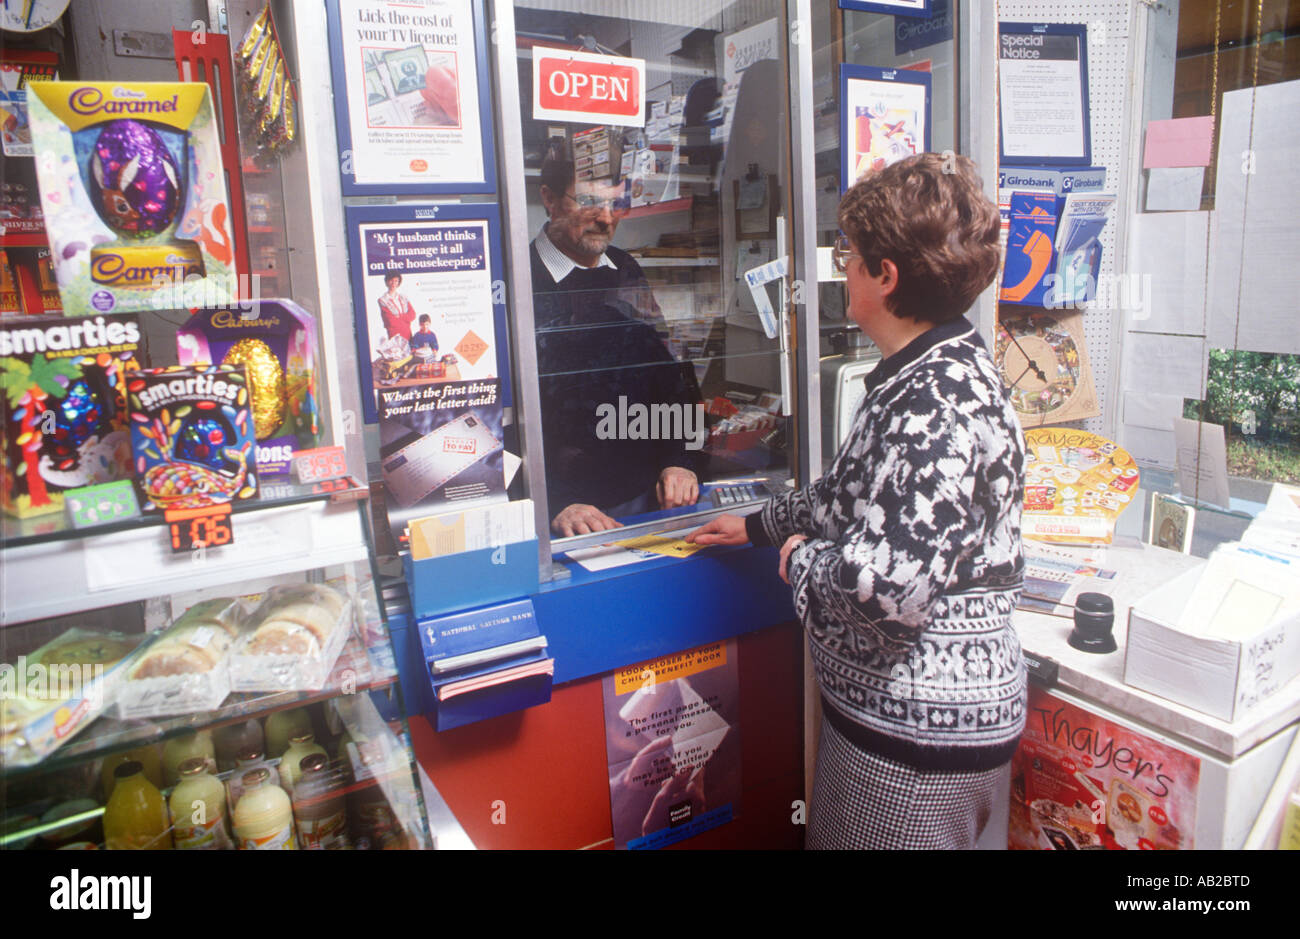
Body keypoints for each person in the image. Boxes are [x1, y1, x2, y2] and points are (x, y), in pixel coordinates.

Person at [689, 153, 1027, 849]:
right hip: (932, 733)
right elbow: (854, 496)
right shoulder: (937, 370)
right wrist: (758, 523)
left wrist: (799, 557)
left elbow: (888, 591)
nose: (842, 267)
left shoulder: (932, 402)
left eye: (851, 254)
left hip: (912, 748)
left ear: (886, 275)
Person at [531, 143, 703, 537]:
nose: (606, 219)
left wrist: (681, 459)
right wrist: (555, 501)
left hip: (645, 498)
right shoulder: (518, 279)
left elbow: (670, 375)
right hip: (565, 513)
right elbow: (497, 417)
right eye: (590, 201)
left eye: (618, 203)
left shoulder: (625, 268)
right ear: (549, 199)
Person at [378, 272, 416, 341]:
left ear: (399, 283)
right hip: (394, 335)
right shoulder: (383, 300)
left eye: (396, 281)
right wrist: (405, 319)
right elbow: (390, 321)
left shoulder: (403, 298)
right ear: (387, 282)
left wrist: (399, 316)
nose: (393, 283)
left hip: (408, 334)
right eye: (391, 280)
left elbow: (412, 315)